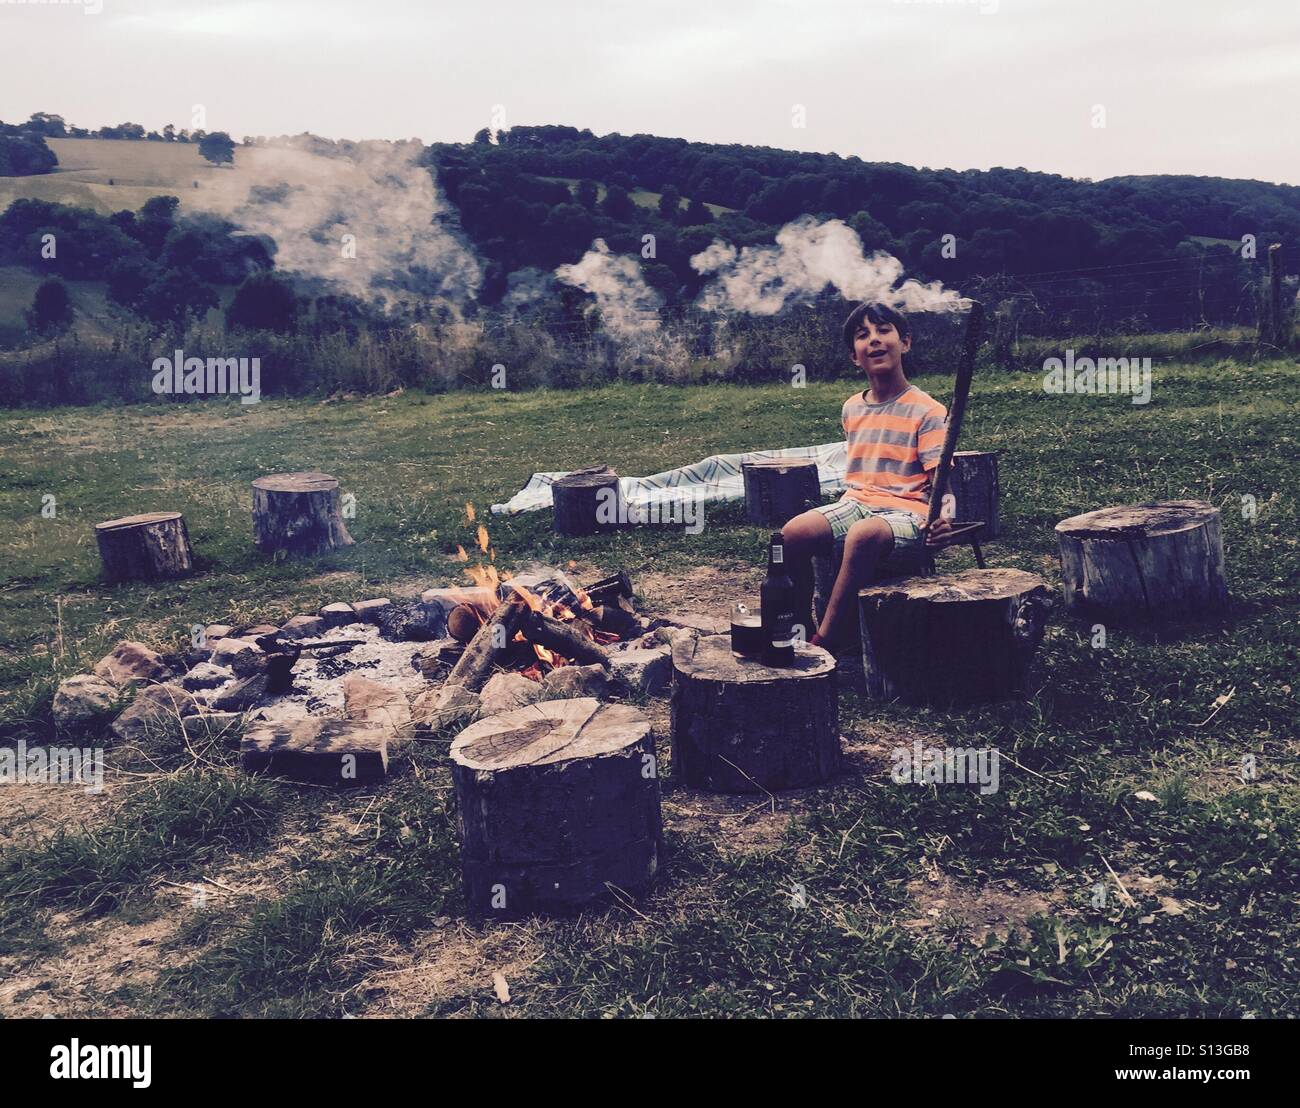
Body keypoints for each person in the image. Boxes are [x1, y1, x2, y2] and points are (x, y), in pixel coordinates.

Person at [781, 302, 952, 652]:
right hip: (857, 503)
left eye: (884, 330)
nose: (874, 340)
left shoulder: (929, 411)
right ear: (855, 357)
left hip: (908, 513)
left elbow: (942, 489)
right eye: (863, 335)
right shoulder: (852, 408)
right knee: (790, 535)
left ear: (905, 342)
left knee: (862, 535)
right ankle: (795, 630)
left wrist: (944, 520)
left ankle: (827, 639)